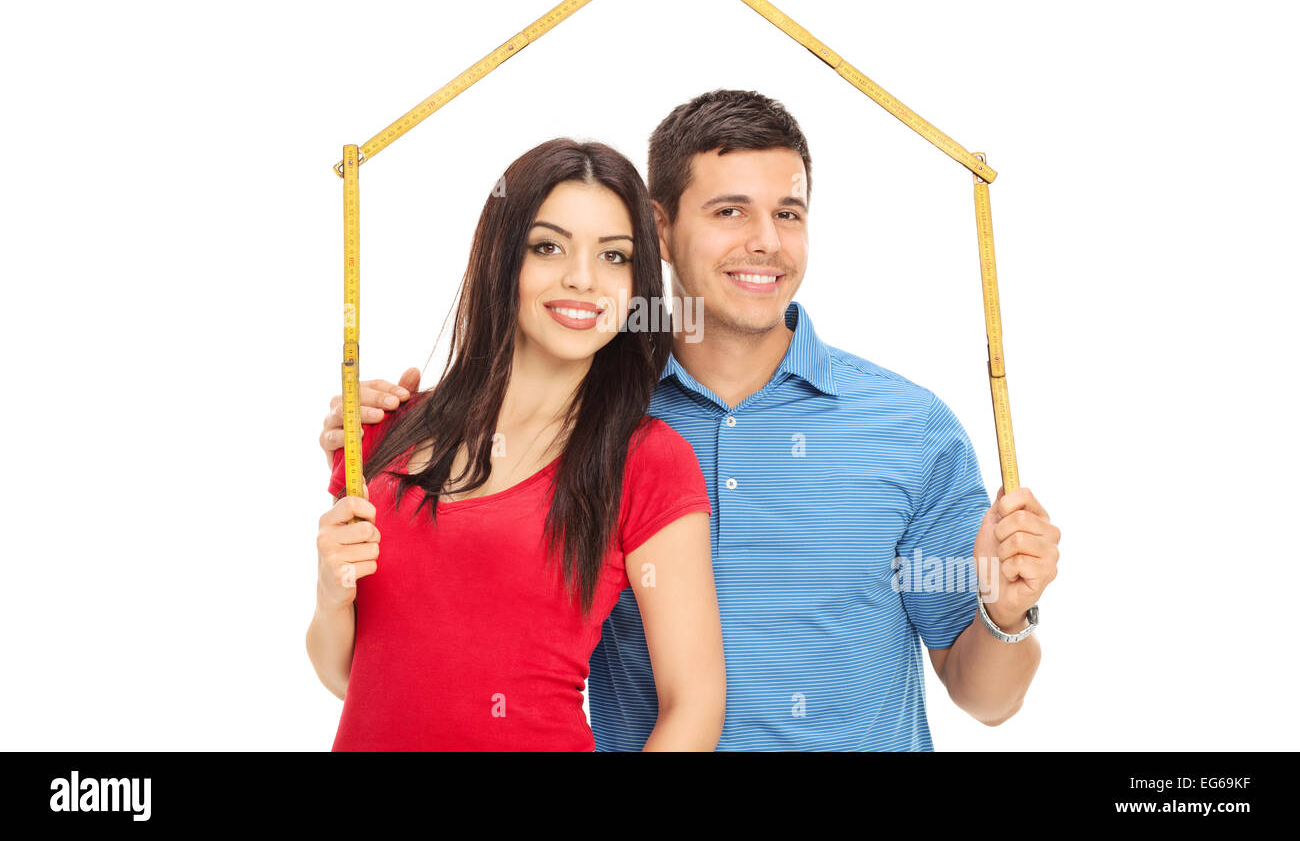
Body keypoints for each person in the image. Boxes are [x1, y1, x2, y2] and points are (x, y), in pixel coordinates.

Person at [324, 90, 1061, 751]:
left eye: (788, 213)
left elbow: (987, 699)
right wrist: (401, 431)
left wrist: (1005, 611)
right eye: (729, 211)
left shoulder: (909, 427)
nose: (766, 242)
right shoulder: (595, 417)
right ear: (660, 228)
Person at [306, 138, 726, 751]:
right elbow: (346, 674)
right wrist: (331, 593)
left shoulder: (646, 460)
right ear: (503, 258)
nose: (582, 279)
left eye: (614, 257)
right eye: (548, 247)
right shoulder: (383, 429)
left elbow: (694, 704)